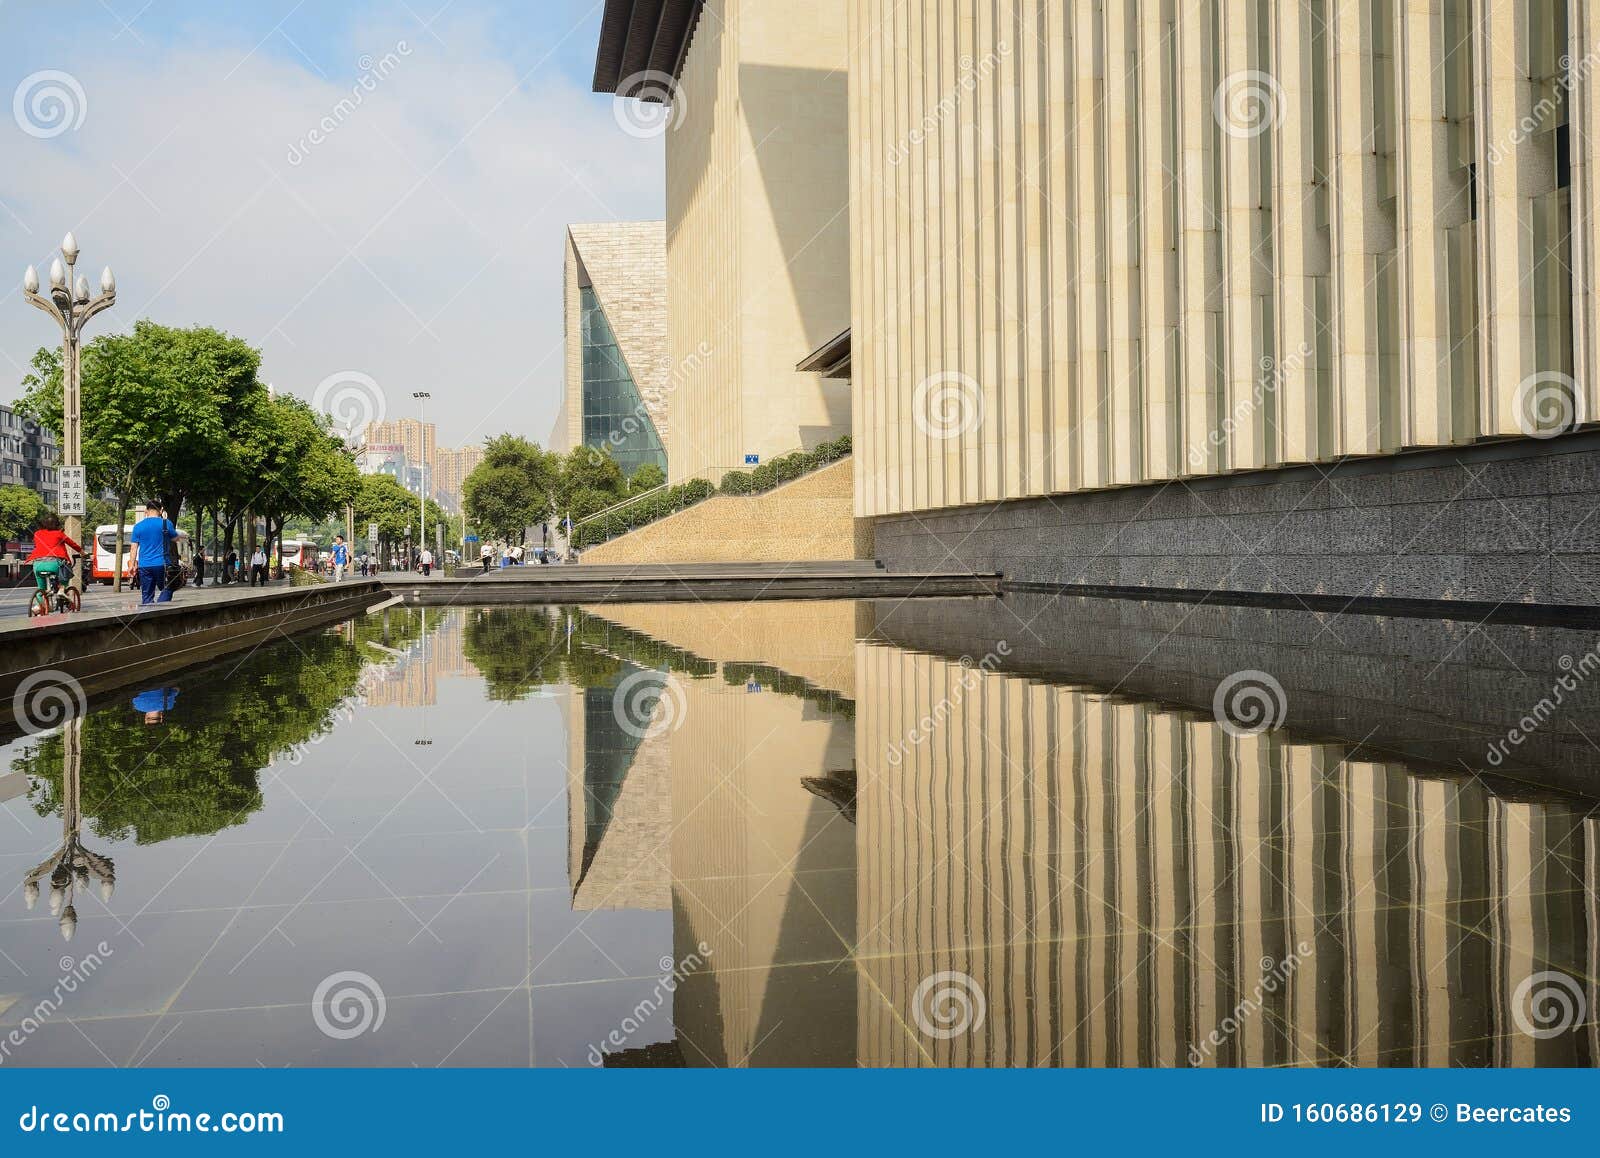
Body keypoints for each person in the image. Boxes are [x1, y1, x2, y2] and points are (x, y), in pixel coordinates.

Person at [127, 502, 178, 606]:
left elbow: (134, 548)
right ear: (161, 510)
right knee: (168, 588)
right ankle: (161, 608)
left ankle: (147, 613)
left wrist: (131, 565)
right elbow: (175, 538)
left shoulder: (138, 526)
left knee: (147, 595)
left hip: (144, 565)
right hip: (162, 564)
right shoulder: (166, 523)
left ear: (146, 511)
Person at [26, 513, 82, 600]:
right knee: (66, 570)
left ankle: (39, 607)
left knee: (41, 589)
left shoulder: (37, 534)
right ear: (57, 523)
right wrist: (83, 553)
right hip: (54, 564)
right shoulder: (59, 534)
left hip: (37, 565)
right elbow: (73, 544)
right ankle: (62, 589)